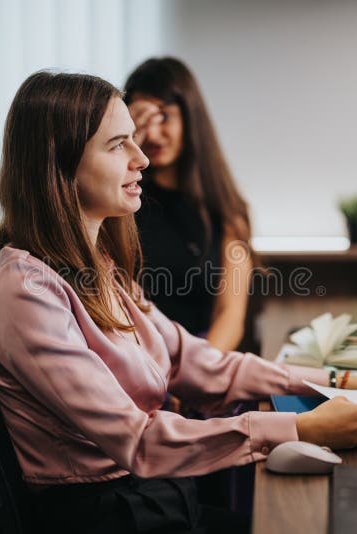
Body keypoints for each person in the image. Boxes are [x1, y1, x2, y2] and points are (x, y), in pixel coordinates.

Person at [0, 70, 357, 533]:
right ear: (58, 163)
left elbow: (199, 363)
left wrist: (351, 382)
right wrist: (301, 430)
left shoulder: (95, 266)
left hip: (154, 495)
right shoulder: (26, 290)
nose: (141, 158)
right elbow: (139, 441)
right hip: (107, 513)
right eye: (118, 143)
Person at [124, 57, 253, 352]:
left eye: (163, 116)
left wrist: (197, 375)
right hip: (135, 364)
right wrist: (127, 141)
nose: (153, 134)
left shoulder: (227, 211)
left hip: (202, 364)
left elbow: (230, 317)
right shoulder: (121, 202)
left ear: (189, 117)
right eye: (142, 121)